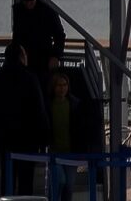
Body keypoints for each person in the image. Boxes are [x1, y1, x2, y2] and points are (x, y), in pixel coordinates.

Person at [0, 42, 49, 193]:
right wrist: (44, 138)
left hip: (4, 137)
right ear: (21, 57)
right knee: (26, 179)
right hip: (28, 139)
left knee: (7, 176)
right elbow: (39, 109)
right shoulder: (30, 78)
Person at [45, 70, 102, 200]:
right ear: (53, 87)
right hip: (54, 151)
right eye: (59, 85)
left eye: (64, 85)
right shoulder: (49, 105)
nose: (62, 88)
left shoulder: (75, 104)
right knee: (58, 181)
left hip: (72, 151)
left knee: (69, 185)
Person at [12, 0, 66, 74]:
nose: (28, 3)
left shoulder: (48, 11)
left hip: (44, 60)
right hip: (24, 60)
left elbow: (59, 35)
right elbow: (16, 36)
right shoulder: (18, 11)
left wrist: (55, 56)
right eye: (26, 1)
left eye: (31, 0)